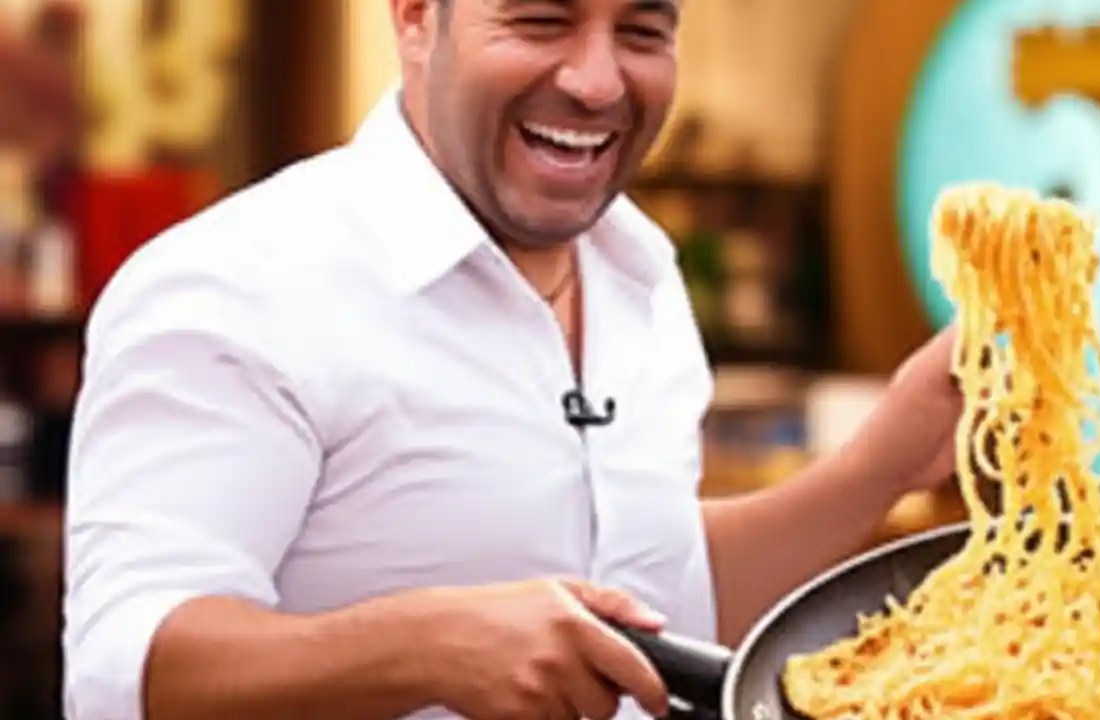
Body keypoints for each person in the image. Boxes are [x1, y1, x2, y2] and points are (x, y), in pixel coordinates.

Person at [61, 1, 963, 719]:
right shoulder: (236, 284)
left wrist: (888, 459)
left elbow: (655, 597)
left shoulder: (638, 280)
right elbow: (121, 675)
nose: (598, 80)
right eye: (540, 21)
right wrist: (427, 647)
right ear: (416, 17)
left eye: (643, 30)